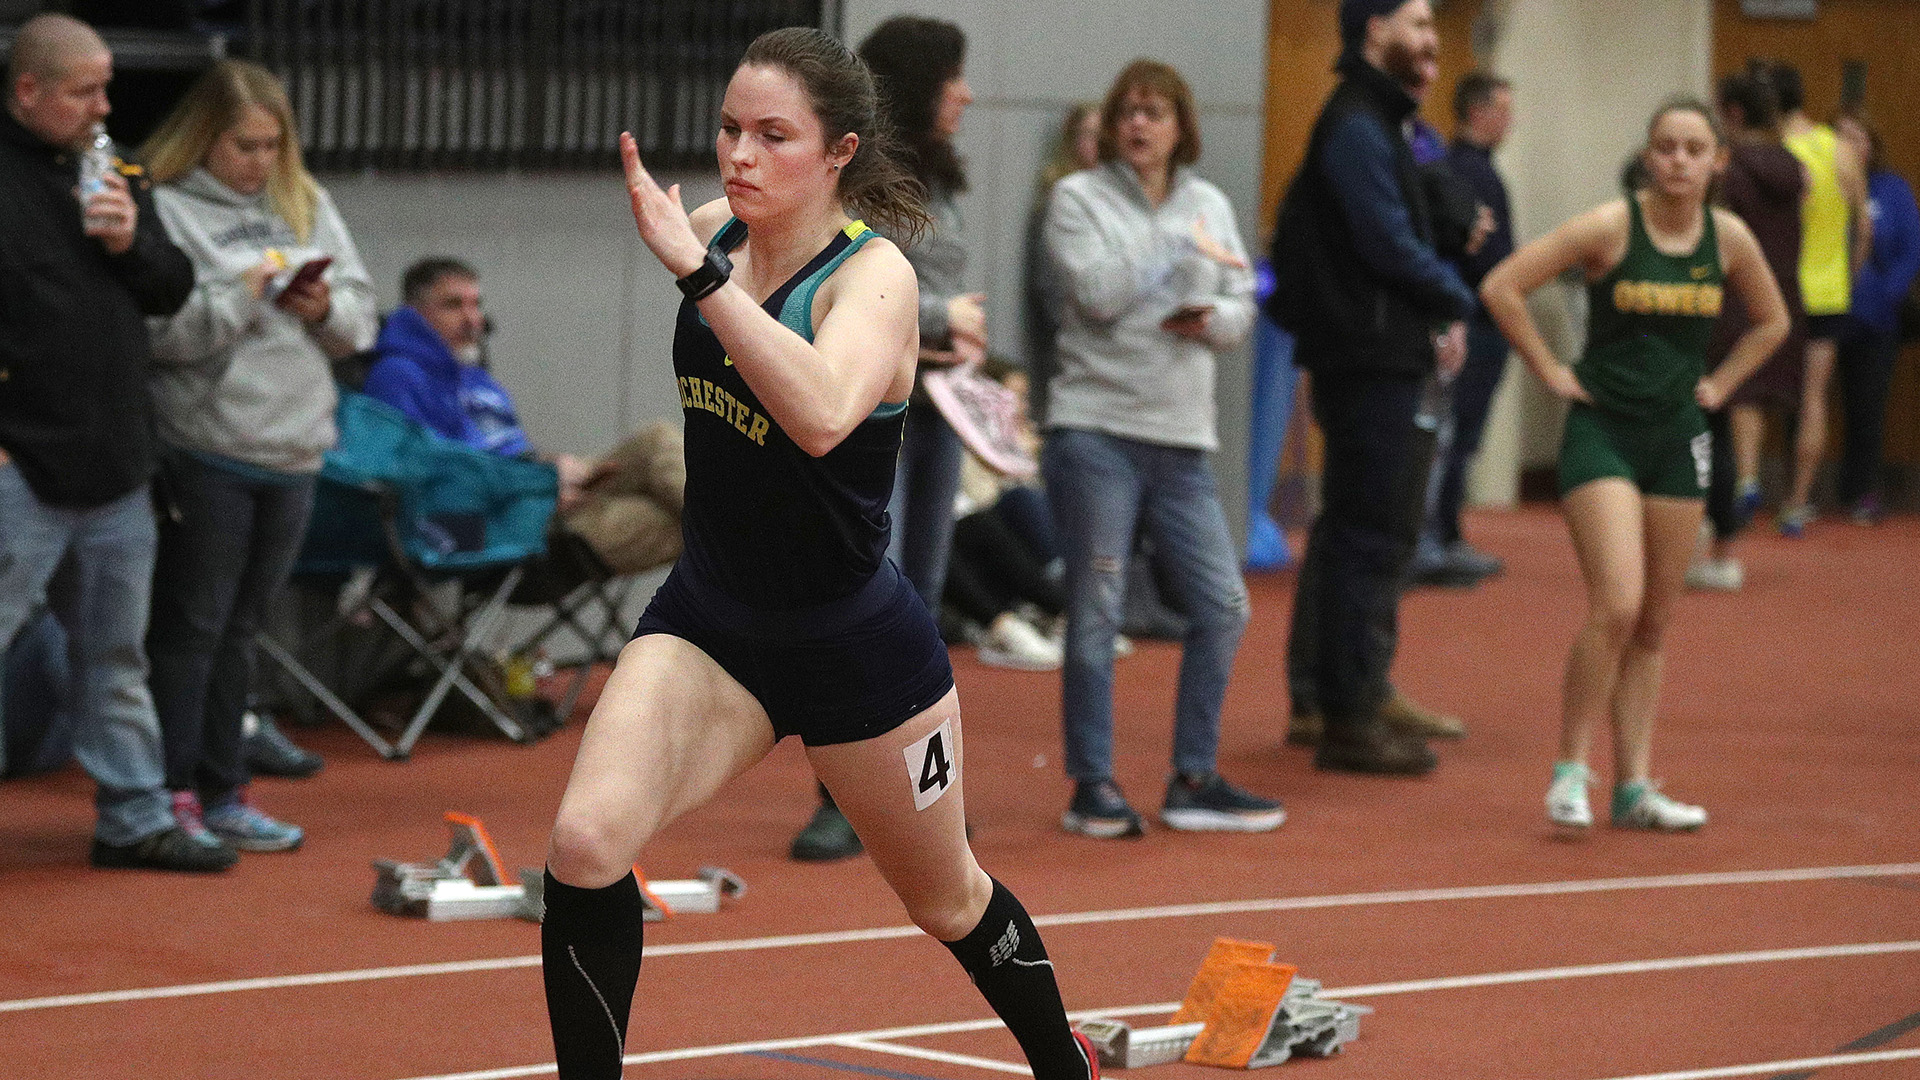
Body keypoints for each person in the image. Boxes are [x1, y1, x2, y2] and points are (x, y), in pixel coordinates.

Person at [540, 28, 1098, 1080]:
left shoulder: (873, 276)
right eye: (729, 130)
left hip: (854, 646)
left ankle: (1065, 1064)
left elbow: (824, 413)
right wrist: (705, 265)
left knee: (947, 898)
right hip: (711, 624)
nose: (739, 155)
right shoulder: (713, 232)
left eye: (773, 135)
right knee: (583, 844)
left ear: (839, 151)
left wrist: (701, 279)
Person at [1480, 100, 1788, 832]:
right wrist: (1551, 370)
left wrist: (1722, 384)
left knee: (1653, 621)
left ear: (1717, 161)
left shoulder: (1728, 237)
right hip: (1604, 433)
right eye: (1665, 147)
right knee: (1616, 602)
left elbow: (1774, 321)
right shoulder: (1609, 227)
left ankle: (1635, 788)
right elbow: (1501, 287)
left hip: (1678, 437)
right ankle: (1570, 770)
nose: (1678, 160)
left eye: (1693, 149)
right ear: (1648, 157)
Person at [0, 14, 225, 871]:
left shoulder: (117, 168)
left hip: (117, 465)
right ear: (28, 90)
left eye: (107, 89)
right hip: (19, 466)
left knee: (116, 656)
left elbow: (172, 285)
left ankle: (134, 818)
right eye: (85, 91)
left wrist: (130, 243)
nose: (104, 107)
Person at [139, 58, 378, 853]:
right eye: (243, 146)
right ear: (203, 138)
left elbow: (361, 323)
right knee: (192, 628)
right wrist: (244, 293)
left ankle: (225, 791)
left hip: (295, 446)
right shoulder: (167, 207)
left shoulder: (304, 201)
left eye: (272, 146)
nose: (259, 162)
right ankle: (172, 793)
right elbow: (160, 334)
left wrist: (321, 305)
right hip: (207, 447)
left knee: (243, 631)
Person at [1042, 58, 1281, 837]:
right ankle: (1092, 786)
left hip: (1182, 439)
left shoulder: (1209, 202)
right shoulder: (1078, 199)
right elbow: (1098, 294)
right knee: (1098, 610)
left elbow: (1243, 302)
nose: (1139, 124)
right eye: (1128, 112)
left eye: (1155, 112)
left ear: (1182, 127)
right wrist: (1174, 241)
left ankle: (1193, 777)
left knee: (1223, 605)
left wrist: (1211, 319)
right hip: (1097, 430)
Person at [1266, 0, 1475, 776]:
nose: (1429, 39)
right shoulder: (1357, 122)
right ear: (1375, 29)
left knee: (1355, 529)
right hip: (1370, 354)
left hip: (1374, 348)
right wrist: (1457, 298)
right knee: (1372, 534)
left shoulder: (1379, 118)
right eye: (1417, 23)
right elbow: (1385, 242)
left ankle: (1339, 695)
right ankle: (1349, 716)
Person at [364, 259, 687, 577]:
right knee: (687, 528)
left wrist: (549, 468)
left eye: (476, 305)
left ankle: (721, 523)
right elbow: (428, 474)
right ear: (414, 313)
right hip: (477, 526)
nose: (473, 319)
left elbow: (504, 450)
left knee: (655, 441)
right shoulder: (397, 376)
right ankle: (722, 529)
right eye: (453, 305)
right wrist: (539, 486)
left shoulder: (472, 377)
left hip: (525, 497)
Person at [1689, 71, 1805, 592]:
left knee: (1711, 423)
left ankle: (1716, 523)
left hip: (1727, 307)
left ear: (1732, 113)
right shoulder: (1795, 169)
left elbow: (1708, 237)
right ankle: (1728, 534)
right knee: (1734, 419)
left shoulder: (1731, 173)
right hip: (1780, 300)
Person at [1411, 71, 1516, 586]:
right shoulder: (1464, 172)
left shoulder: (1469, 168)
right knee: (1453, 434)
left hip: (1476, 316)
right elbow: (1480, 256)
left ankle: (1443, 534)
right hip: (1472, 319)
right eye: (1504, 110)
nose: (1511, 122)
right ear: (1477, 111)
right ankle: (1439, 537)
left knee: (1458, 435)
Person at [1771, 61, 1871, 536]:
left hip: (1777, 291)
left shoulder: (1772, 154)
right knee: (1812, 397)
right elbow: (1864, 228)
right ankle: (1796, 501)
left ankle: (1744, 484)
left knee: (1751, 392)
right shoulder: (1841, 150)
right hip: (1828, 293)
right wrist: (1846, 277)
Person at [1833, 113, 1920, 524]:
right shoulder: (1819, 184)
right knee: (1808, 403)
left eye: (1857, 137)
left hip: (1875, 317)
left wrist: (1888, 293)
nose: (1848, 144)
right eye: (1840, 136)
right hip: (1824, 311)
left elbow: (1911, 251)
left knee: (1867, 407)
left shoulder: (1891, 189)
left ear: (1871, 145)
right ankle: (1804, 492)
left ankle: (1862, 492)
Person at [1025, 102, 1101, 425]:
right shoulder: (1058, 198)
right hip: (1069, 350)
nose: (1098, 143)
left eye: (1103, 134)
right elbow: (1049, 287)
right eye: (1090, 134)